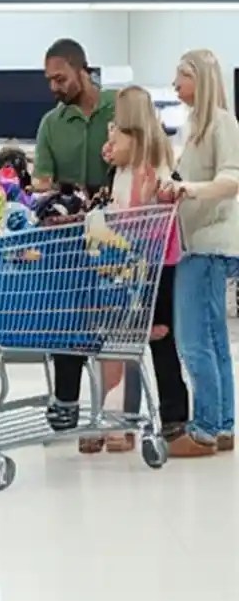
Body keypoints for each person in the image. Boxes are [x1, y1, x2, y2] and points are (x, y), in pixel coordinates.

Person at [34, 39, 120, 450]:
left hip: (117, 234)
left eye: (60, 78)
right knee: (68, 322)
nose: (53, 86)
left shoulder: (119, 107)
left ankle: (112, 417)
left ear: (82, 70)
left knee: (119, 324)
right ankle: (68, 405)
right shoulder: (51, 124)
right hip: (66, 239)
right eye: (49, 79)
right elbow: (43, 184)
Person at [94, 86, 188, 453]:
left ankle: (169, 419)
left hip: (152, 260)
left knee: (157, 337)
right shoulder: (128, 156)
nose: (112, 127)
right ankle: (138, 421)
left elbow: (140, 207)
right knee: (136, 340)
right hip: (136, 260)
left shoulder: (150, 158)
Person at [159, 49, 239, 457]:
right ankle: (222, 426)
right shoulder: (190, 127)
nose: (175, 84)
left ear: (202, 80)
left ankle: (205, 428)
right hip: (195, 240)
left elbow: (233, 177)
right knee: (214, 338)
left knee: (194, 340)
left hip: (208, 243)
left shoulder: (222, 123)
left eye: (182, 75)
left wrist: (190, 190)